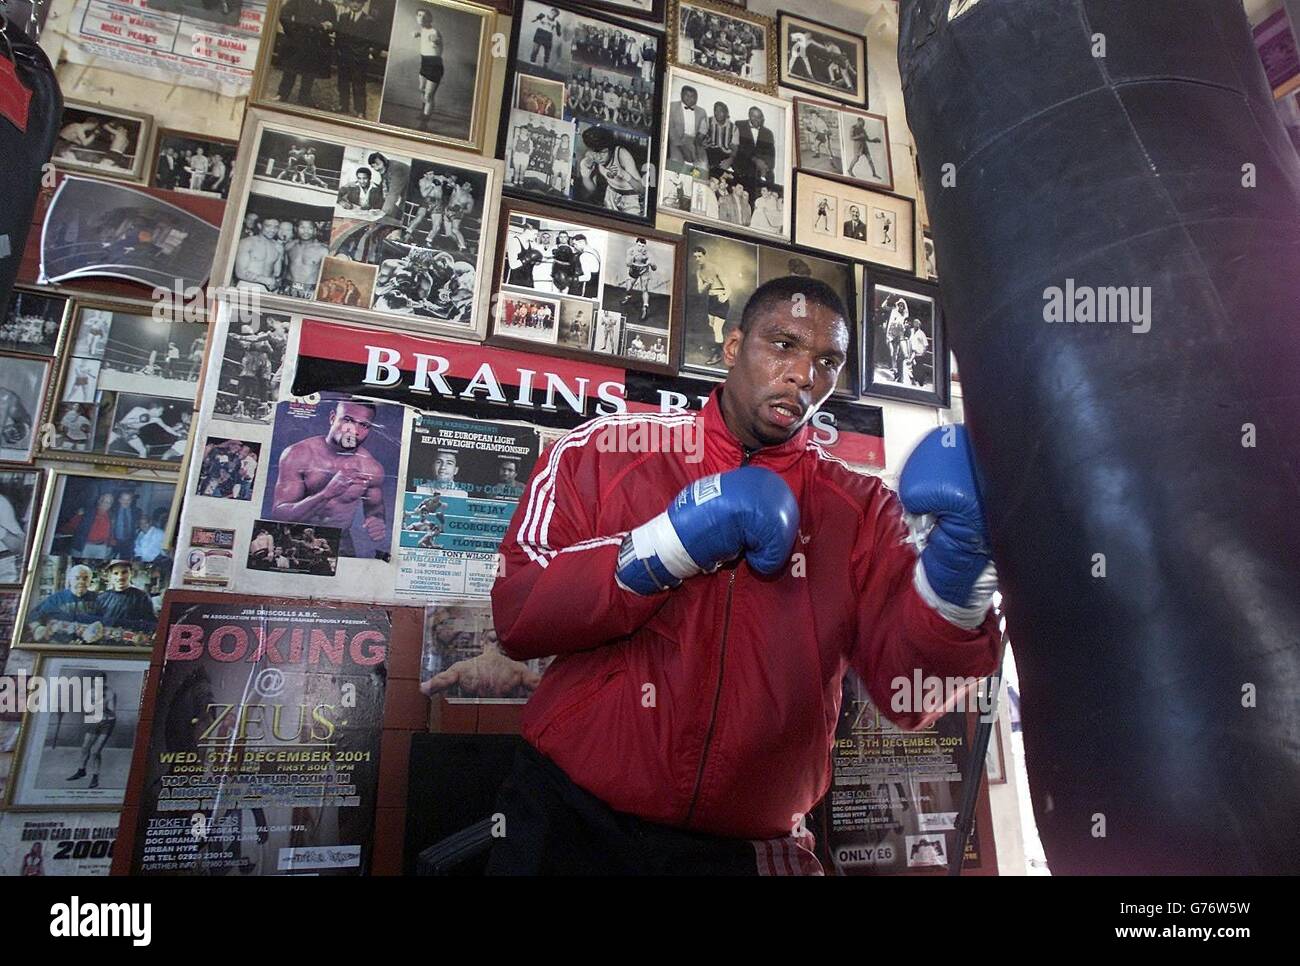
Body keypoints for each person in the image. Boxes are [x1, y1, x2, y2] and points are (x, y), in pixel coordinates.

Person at [485, 275, 999, 874]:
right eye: (783, 344)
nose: (805, 375)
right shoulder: (605, 452)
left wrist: (962, 575)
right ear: (732, 348)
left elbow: (910, 696)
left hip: (747, 848)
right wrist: (663, 547)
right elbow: (518, 616)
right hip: (569, 818)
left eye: (827, 360)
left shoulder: (860, 509)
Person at [270, 400, 389, 556]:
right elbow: (280, 515)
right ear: (333, 418)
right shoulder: (299, 454)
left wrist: (376, 520)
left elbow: (375, 508)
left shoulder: (371, 468)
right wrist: (327, 493)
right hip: (295, 536)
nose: (354, 430)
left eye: (364, 425)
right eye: (348, 420)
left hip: (339, 540)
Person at [276, 0, 335, 106]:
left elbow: (334, 24)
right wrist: (292, 32)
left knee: (310, 72)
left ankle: (304, 97)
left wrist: (330, 26)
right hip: (297, 41)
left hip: (316, 44)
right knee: (290, 69)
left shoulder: (329, 6)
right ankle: (282, 94)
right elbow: (284, 14)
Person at [577, 126, 644, 216]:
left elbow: (641, 189)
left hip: (631, 198)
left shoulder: (621, 154)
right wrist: (586, 176)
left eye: (603, 152)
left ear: (609, 148)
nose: (599, 157)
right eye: (595, 153)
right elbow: (592, 190)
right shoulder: (590, 158)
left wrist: (623, 174)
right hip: (610, 195)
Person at [67, 674, 116, 789]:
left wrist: (104, 703)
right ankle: (81, 770)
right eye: (96, 682)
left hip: (107, 722)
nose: (98, 684)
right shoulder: (90, 692)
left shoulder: (110, 693)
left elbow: (112, 710)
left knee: (95, 751)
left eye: (101, 682)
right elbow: (87, 709)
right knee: (85, 747)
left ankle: (95, 777)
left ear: (105, 682)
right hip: (93, 719)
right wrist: (97, 703)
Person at [335, 0, 375, 118]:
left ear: (362, 4)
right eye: (352, 1)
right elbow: (339, 36)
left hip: (359, 59)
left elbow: (371, 40)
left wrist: (367, 54)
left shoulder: (369, 21)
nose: (355, 5)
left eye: (358, 2)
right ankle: (343, 105)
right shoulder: (343, 17)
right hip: (343, 57)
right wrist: (338, 51)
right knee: (342, 82)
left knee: (358, 85)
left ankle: (360, 111)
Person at [97, 559, 157, 634]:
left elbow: (150, 623)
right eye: (116, 573)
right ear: (110, 576)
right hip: (104, 641)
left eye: (124, 572)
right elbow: (95, 623)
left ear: (131, 573)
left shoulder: (141, 597)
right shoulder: (102, 597)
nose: (120, 577)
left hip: (130, 642)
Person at [233, 217, 283, 292]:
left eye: (276, 227)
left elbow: (277, 273)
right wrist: (266, 280)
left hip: (266, 290)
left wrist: (276, 284)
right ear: (260, 226)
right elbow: (240, 272)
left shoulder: (278, 247)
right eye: (268, 226)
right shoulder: (247, 242)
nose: (272, 230)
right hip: (246, 287)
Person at [282, 220, 329, 298]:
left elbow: (326, 276)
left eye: (310, 228)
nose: (306, 231)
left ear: (315, 230)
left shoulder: (323, 250)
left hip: (309, 291)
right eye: (302, 227)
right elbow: (285, 269)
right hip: (288, 288)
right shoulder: (289, 246)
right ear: (296, 229)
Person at [414, 9, 444, 128]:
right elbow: (425, 33)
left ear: (430, 19)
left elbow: (435, 40)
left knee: (428, 96)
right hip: (425, 63)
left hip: (434, 65)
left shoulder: (434, 32)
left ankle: (424, 123)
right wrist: (418, 34)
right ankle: (423, 112)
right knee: (421, 88)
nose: (421, 18)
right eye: (419, 15)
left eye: (424, 16)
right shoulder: (424, 30)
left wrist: (435, 41)